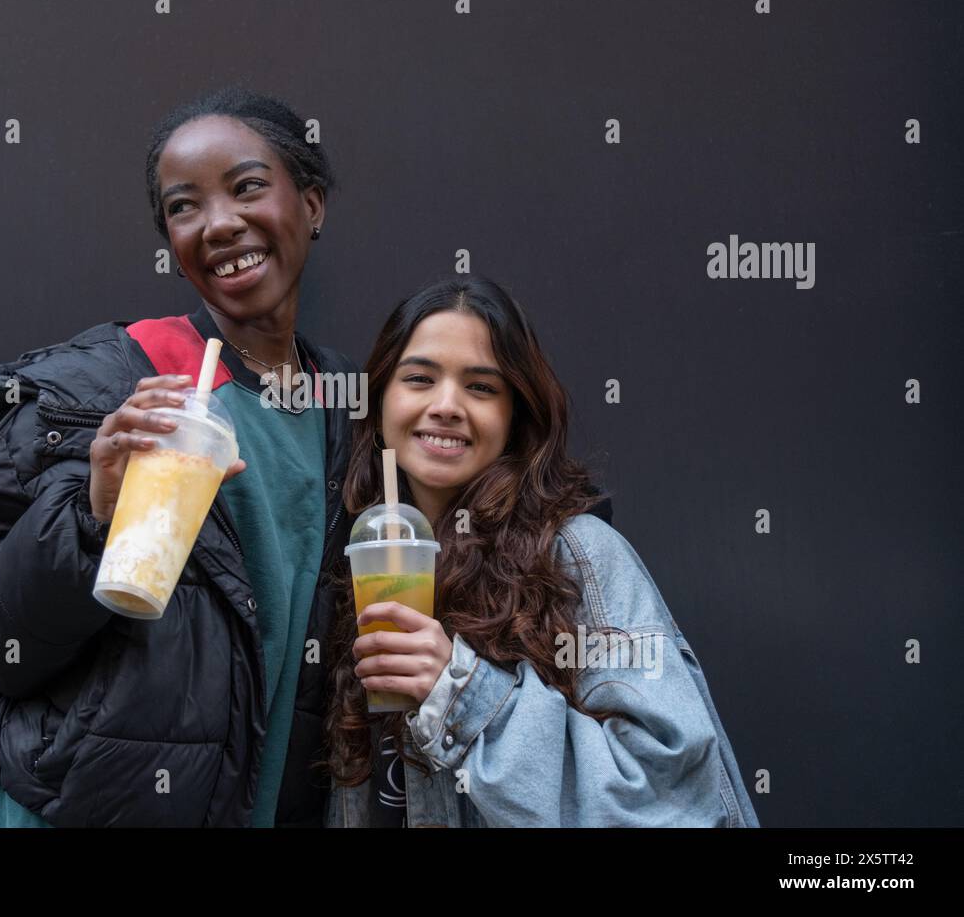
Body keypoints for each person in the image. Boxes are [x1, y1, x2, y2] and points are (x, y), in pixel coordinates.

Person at [0, 86, 357, 826]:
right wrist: (92, 514)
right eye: (183, 207)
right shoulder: (95, 390)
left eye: (248, 187)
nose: (219, 223)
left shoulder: (353, 419)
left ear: (313, 205)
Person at [320, 277, 761, 827]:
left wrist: (462, 695)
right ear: (381, 400)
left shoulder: (578, 556)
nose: (447, 405)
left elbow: (664, 792)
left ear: (515, 417)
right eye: (418, 379)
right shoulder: (351, 559)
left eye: (481, 388)